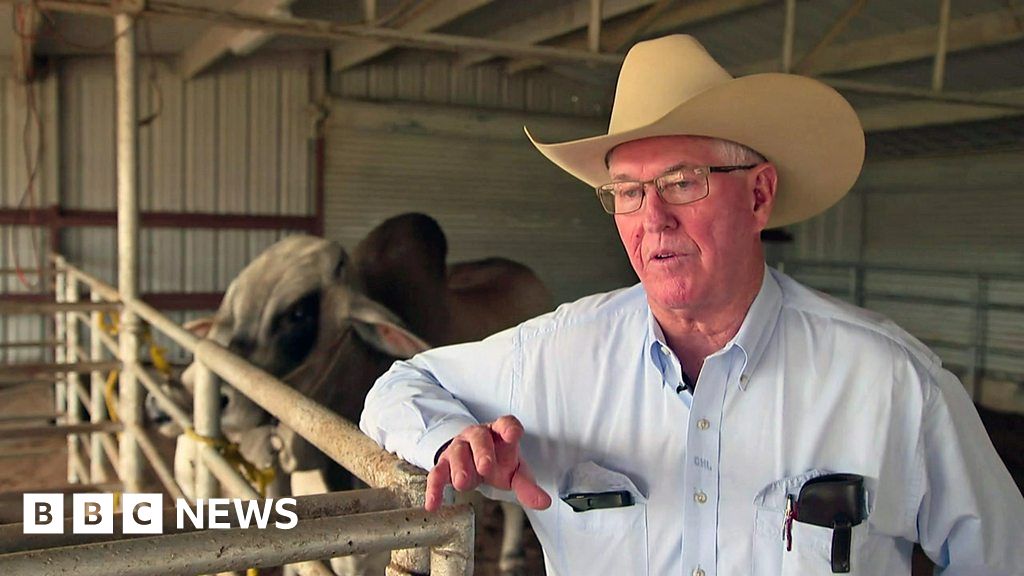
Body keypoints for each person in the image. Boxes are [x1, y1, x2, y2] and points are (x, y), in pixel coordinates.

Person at [360, 35, 1024, 575]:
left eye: (683, 183)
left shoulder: (892, 381)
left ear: (759, 195)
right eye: (628, 193)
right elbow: (399, 385)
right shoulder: (554, 355)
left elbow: (999, 557)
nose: (653, 220)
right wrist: (452, 437)